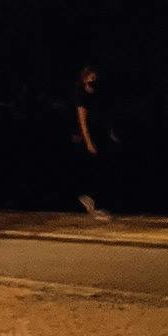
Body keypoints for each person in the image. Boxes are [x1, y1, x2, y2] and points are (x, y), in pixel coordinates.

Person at [73, 63, 117, 221]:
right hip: (89, 137)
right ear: (84, 79)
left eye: (94, 77)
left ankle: (96, 202)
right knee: (94, 169)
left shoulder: (97, 94)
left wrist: (110, 133)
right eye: (89, 77)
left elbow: (104, 115)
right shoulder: (81, 95)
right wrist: (88, 142)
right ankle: (91, 201)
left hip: (99, 135)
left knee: (103, 169)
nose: (92, 80)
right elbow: (83, 121)